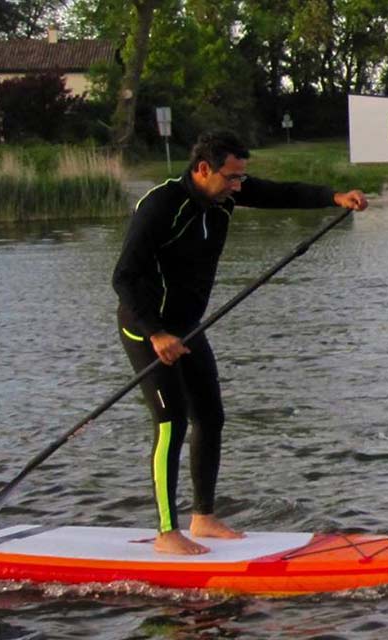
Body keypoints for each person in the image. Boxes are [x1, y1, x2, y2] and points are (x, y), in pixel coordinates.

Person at [113, 131, 369, 554]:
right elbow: (123, 276)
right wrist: (156, 332)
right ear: (202, 169)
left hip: (190, 328)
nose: (238, 186)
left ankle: (204, 517)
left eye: (240, 178)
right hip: (147, 328)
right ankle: (165, 532)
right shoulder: (161, 205)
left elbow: (280, 193)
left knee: (210, 417)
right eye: (231, 178)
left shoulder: (223, 197)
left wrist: (334, 196)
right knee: (171, 423)